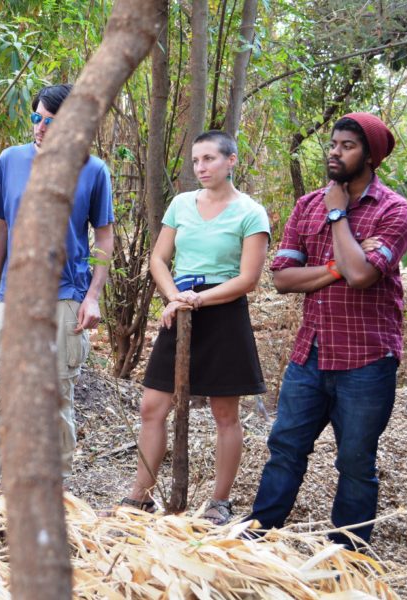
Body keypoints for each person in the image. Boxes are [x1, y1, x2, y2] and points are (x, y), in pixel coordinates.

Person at [248, 112, 407, 549]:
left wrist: (338, 214)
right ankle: (257, 534)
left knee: (356, 461)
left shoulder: (394, 210)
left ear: (371, 157)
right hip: (311, 353)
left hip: (367, 359)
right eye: (334, 144)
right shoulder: (305, 207)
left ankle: (348, 555)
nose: (335, 152)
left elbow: (364, 278)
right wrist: (340, 265)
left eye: (347, 146)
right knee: (285, 447)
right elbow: (282, 278)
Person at [0, 84, 114, 486]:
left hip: (63, 299)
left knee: (55, 398)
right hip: (14, 298)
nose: (41, 127)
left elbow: (104, 237)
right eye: (36, 118)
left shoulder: (93, 171)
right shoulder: (10, 161)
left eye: (52, 120)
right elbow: (0, 229)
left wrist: (93, 296)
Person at [118, 130, 270, 524]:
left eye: (210, 159)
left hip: (223, 313)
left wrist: (201, 299)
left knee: (225, 414)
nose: (201, 167)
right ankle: (141, 495)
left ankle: (219, 503)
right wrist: (174, 298)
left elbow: (249, 278)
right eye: (196, 160)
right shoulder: (182, 204)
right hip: (179, 309)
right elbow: (158, 259)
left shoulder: (250, 212)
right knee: (153, 406)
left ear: (231, 161)